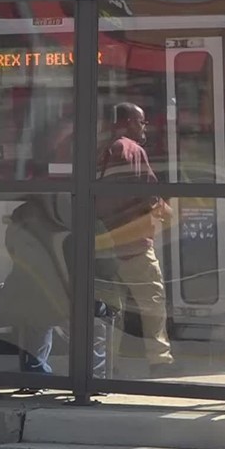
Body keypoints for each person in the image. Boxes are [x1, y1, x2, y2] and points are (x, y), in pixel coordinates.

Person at [96, 102, 175, 373]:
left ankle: (108, 363)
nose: (144, 127)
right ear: (128, 121)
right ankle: (159, 359)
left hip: (105, 246)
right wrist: (168, 214)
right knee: (152, 301)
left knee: (111, 307)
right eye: (142, 122)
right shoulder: (133, 151)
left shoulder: (99, 150)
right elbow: (149, 193)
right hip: (134, 245)